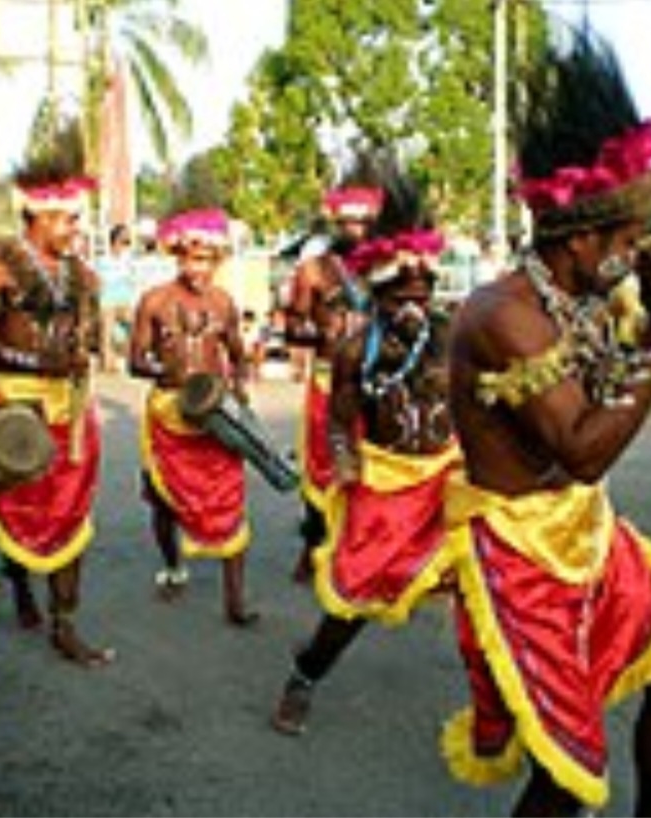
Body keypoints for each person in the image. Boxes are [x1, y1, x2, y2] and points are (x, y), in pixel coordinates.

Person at [441, 29, 651, 817]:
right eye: (627, 237)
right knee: (568, 773)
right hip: (520, 551)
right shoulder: (504, 316)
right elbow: (581, 450)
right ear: (580, 239)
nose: (638, 250)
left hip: (586, 533)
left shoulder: (582, 291)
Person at [270, 160, 462, 735]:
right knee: (355, 598)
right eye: (402, 291)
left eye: (424, 288)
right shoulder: (357, 351)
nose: (415, 301)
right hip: (386, 485)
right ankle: (305, 674)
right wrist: (346, 462)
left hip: (450, 479)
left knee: (485, 582)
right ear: (376, 292)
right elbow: (338, 424)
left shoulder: (453, 334)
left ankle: (503, 701)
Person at [0, 110, 112, 668]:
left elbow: (89, 333)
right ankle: (23, 584)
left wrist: (84, 346)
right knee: (20, 508)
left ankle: (64, 624)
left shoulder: (83, 275)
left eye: (76, 220)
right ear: (37, 214)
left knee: (72, 513)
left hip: (72, 411)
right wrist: (37, 359)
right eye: (66, 220)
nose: (74, 229)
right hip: (20, 401)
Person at [128, 207, 259, 625]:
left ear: (217, 260)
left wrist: (237, 387)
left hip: (215, 415)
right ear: (176, 256)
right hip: (169, 412)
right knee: (163, 499)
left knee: (229, 498)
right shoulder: (155, 301)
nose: (196, 268)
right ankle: (173, 567)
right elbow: (135, 360)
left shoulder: (224, 303)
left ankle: (235, 599)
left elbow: (239, 356)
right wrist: (162, 371)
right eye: (188, 258)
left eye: (204, 260)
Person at [285, 169, 384, 582]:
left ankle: (369, 552)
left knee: (375, 468)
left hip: (376, 381)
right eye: (349, 222)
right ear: (336, 221)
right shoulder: (313, 271)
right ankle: (313, 542)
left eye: (364, 222)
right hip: (329, 378)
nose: (357, 230)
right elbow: (291, 327)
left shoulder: (386, 267)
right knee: (322, 467)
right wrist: (320, 333)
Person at [95, 222, 138, 373]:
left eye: (127, 241)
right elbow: (98, 282)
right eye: (124, 240)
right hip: (108, 298)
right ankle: (107, 362)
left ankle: (131, 359)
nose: (126, 244)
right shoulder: (102, 260)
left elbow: (133, 282)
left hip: (124, 298)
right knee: (107, 322)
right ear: (115, 240)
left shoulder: (129, 260)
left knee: (133, 324)